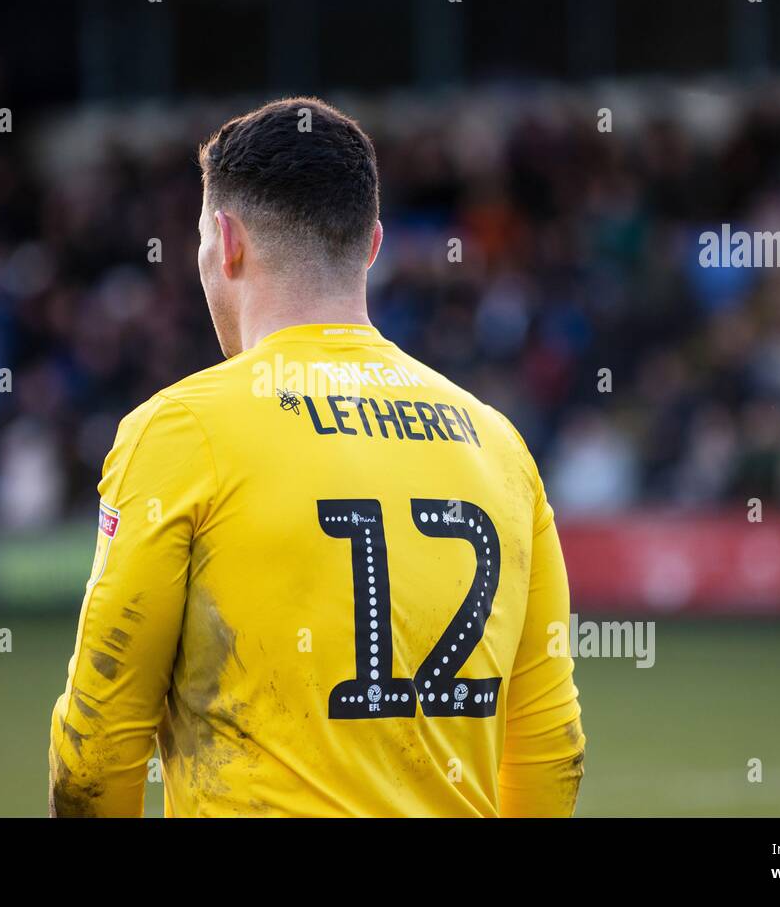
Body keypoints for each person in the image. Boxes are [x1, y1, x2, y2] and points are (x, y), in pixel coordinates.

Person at [48, 97, 585, 817]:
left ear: (227, 242)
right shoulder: (498, 443)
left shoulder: (180, 431)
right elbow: (552, 748)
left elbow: (97, 746)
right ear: (371, 245)